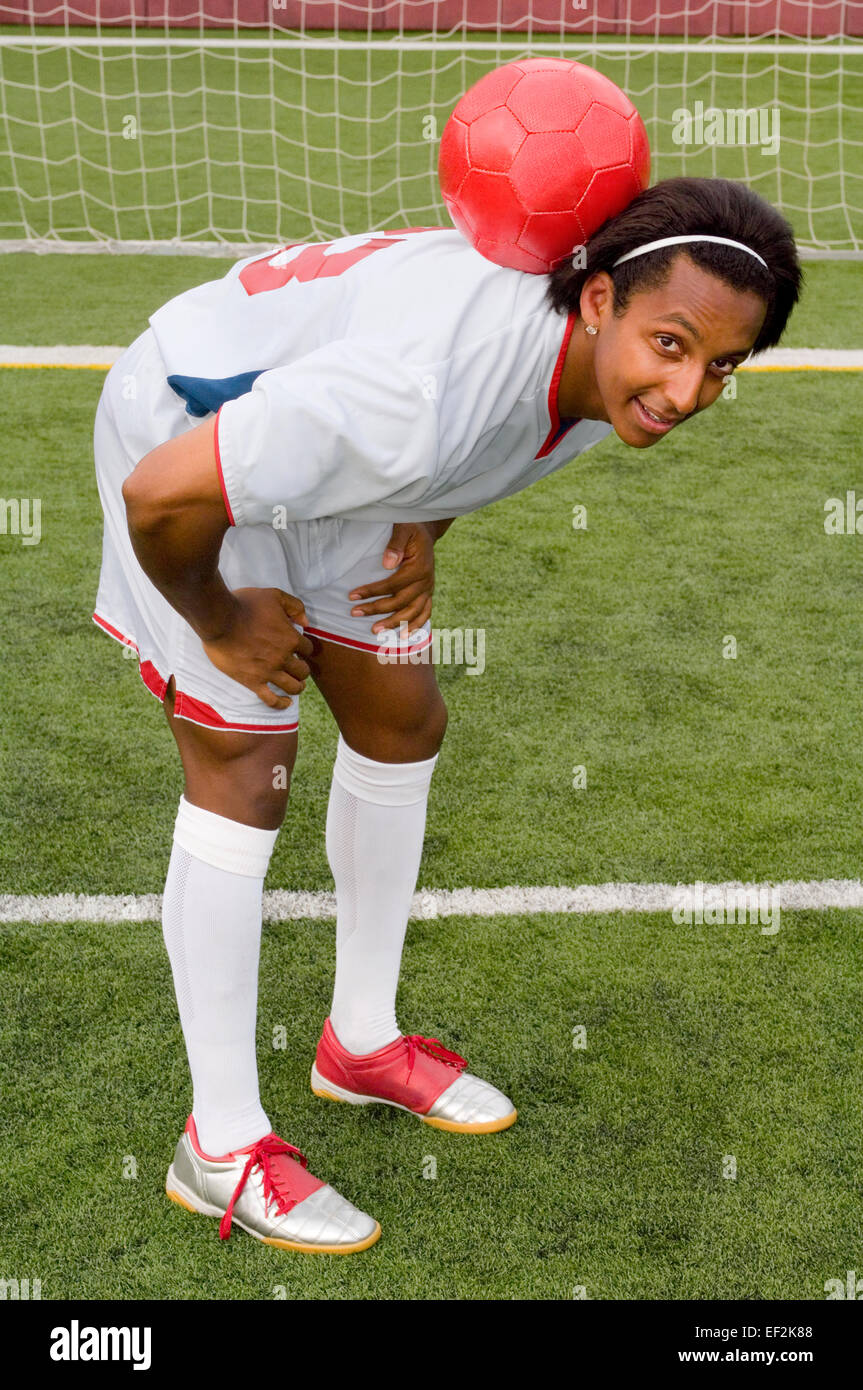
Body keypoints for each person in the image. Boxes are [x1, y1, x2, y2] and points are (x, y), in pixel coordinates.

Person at [92, 175, 802, 1254]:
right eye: (670, 346)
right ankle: (220, 1145)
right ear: (598, 299)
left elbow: (487, 434)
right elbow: (163, 494)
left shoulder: (598, 369)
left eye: (721, 366)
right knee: (244, 765)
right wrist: (222, 616)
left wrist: (423, 517)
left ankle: (358, 1042)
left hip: (334, 448)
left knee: (397, 721)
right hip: (192, 434)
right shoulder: (415, 402)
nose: (686, 390)